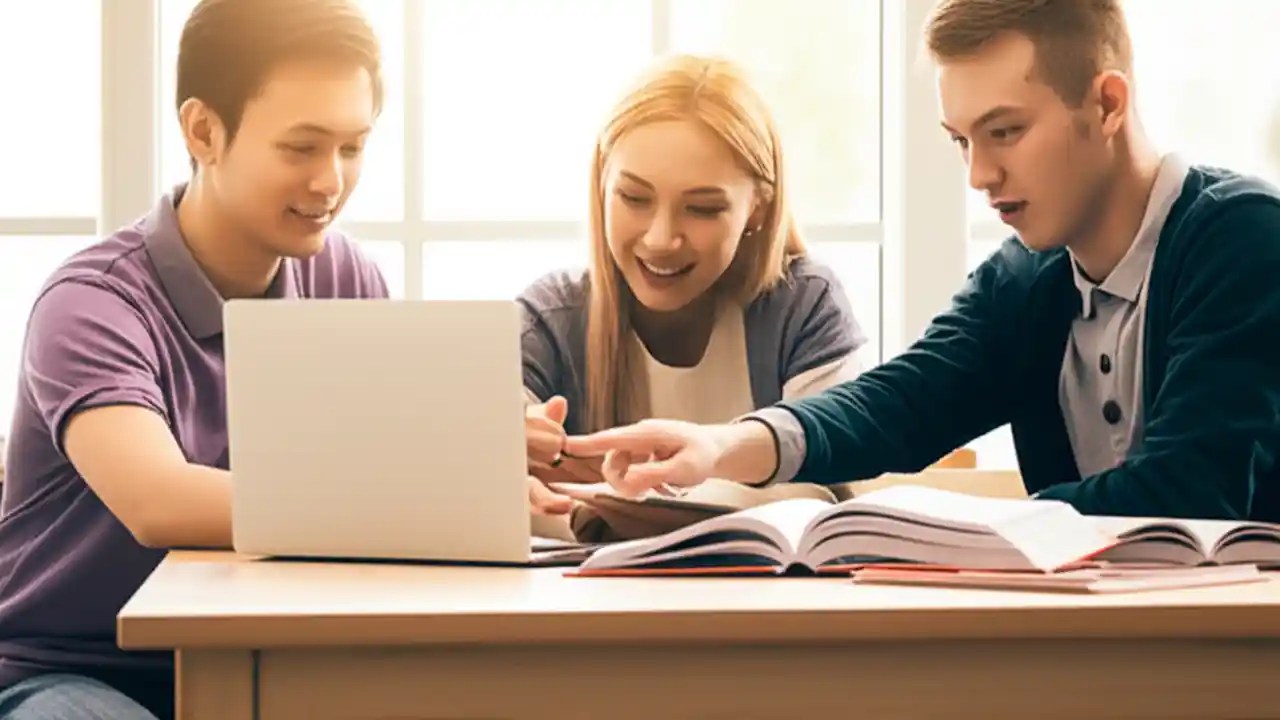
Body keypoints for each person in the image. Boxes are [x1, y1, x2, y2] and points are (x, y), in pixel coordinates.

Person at [565, 0, 1280, 523]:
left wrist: (953, 529)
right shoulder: (1024, 280)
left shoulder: (1243, 239)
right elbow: (899, 403)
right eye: (961, 140)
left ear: (1108, 103)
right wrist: (719, 445)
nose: (980, 175)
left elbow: (1191, 490)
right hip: (1111, 646)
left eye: (1005, 131)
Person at [0, 1, 391, 717]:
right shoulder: (91, 303)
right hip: (73, 672)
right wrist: (407, 506)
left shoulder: (346, 279)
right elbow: (160, 502)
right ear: (203, 131)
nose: (331, 181)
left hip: (274, 658)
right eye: (301, 147)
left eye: (352, 147)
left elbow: (384, 454)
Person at [520, 54, 869, 514]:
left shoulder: (803, 306)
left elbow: (825, 478)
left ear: (758, 208)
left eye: (702, 209)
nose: (660, 239)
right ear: (602, 185)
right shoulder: (550, 320)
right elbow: (473, 465)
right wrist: (504, 459)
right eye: (634, 198)